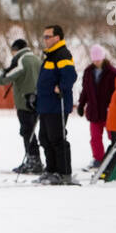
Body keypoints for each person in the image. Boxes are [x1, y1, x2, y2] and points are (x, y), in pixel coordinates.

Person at [0, 38, 41, 173]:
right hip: (37, 100)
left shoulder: (21, 60)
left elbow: (8, 77)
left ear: (15, 50)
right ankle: (35, 160)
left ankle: (33, 161)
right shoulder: (36, 59)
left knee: (27, 131)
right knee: (31, 131)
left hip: (24, 102)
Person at [36, 24, 78, 185]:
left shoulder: (62, 54)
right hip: (45, 104)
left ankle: (64, 172)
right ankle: (51, 170)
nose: (45, 40)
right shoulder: (50, 55)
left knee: (57, 138)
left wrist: (61, 87)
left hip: (57, 104)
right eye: (44, 37)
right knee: (44, 138)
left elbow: (70, 75)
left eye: (47, 37)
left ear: (57, 38)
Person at [77, 45, 116, 168]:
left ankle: (114, 158)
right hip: (94, 111)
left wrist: (113, 107)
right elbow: (85, 90)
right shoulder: (88, 71)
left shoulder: (113, 73)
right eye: (94, 60)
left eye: (98, 60)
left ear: (103, 58)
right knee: (95, 138)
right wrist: (81, 104)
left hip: (108, 111)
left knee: (113, 136)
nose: (96, 62)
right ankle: (98, 159)